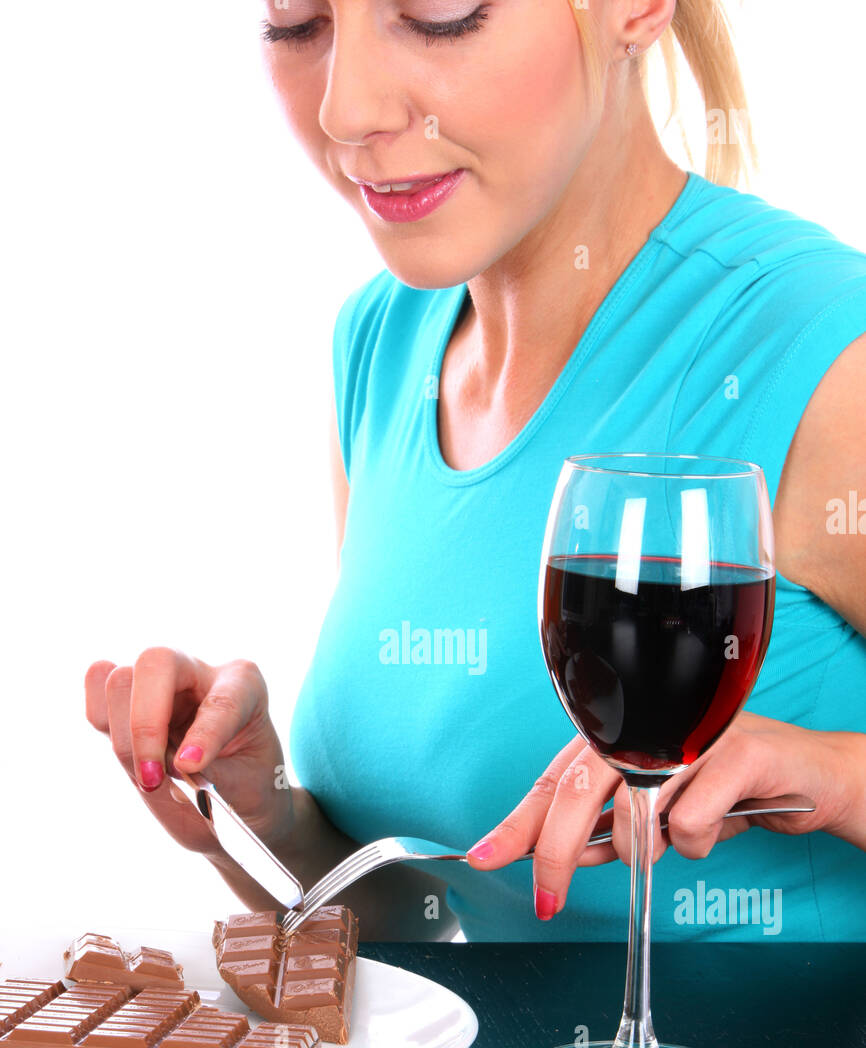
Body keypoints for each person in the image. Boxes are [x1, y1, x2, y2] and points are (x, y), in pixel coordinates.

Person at [86, 0, 866, 942]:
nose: (347, 107)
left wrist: (833, 776)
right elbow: (424, 939)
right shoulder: (382, 342)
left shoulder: (826, 356)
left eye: (439, 10)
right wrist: (259, 815)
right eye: (296, 18)